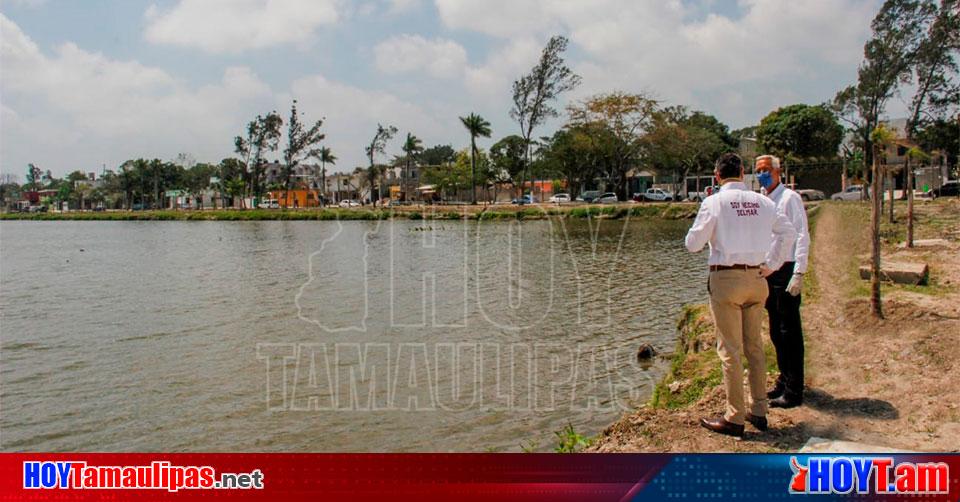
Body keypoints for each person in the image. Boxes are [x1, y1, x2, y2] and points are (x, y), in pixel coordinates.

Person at [685, 153, 797, 437]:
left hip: (726, 279)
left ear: (717, 175)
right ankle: (759, 409)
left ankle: (734, 417)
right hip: (757, 278)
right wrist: (771, 264)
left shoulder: (714, 202)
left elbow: (693, 244)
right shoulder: (764, 202)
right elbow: (788, 233)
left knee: (730, 351)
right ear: (744, 172)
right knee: (754, 347)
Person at [756, 155, 810, 408]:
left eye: (766, 170)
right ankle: (783, 379)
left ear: (778, 172)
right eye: (758, 170)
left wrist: (799, 271)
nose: (762, 175)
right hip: (769, 270)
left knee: (790, 331)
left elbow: (801, 235)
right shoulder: (763, 200)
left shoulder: (790, 199)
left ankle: (794, 390)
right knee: (776, 331)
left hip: (786, 269)